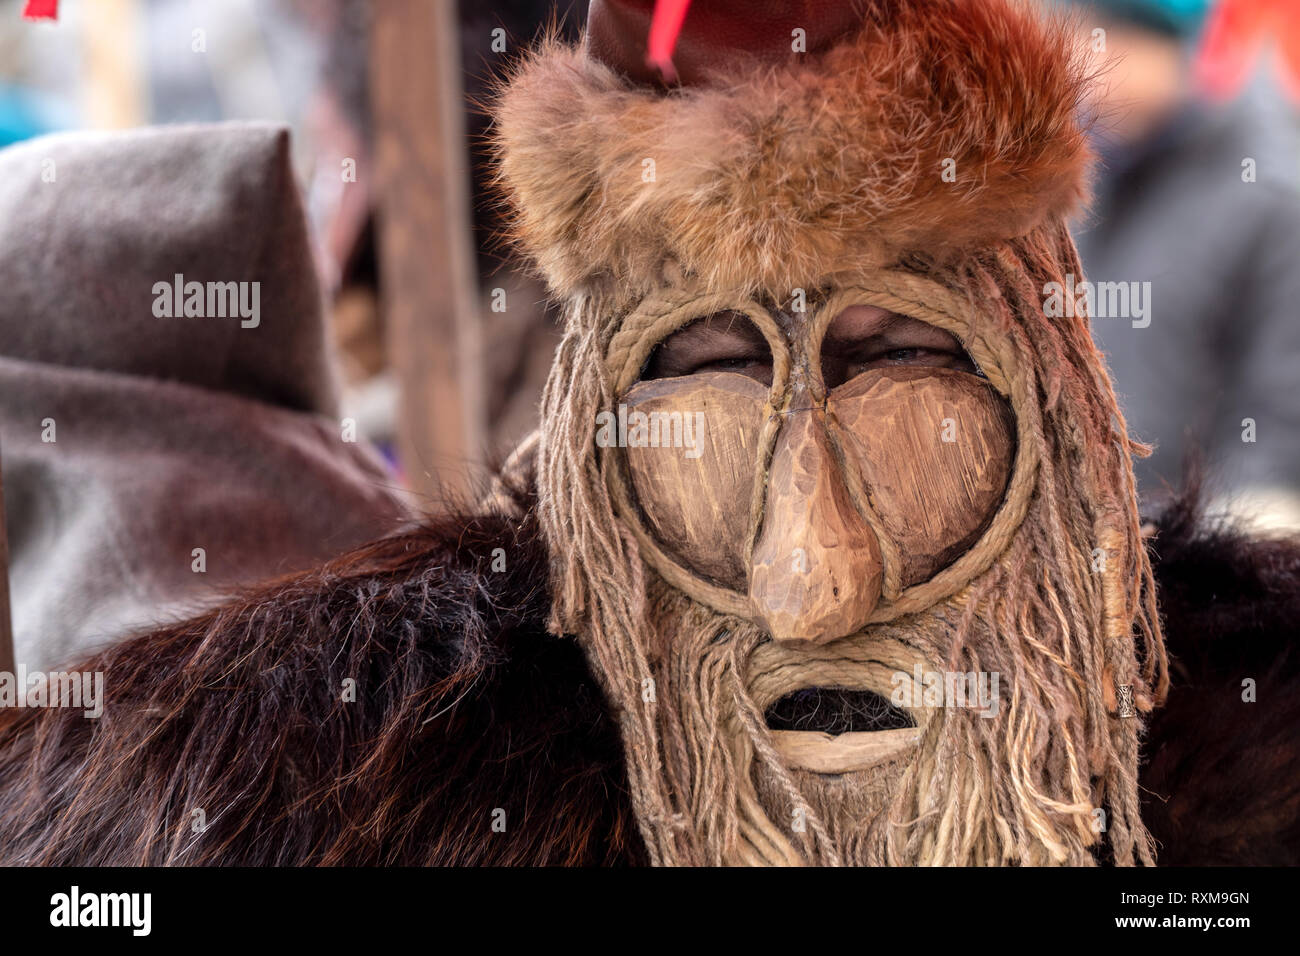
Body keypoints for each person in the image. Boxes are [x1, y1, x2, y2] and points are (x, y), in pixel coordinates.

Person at [0, 0, 1296, 866]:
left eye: (901, 371)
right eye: (705, 397)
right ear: (592, 494)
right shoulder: (329, 794)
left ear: (1064, 443)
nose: (812, 578)